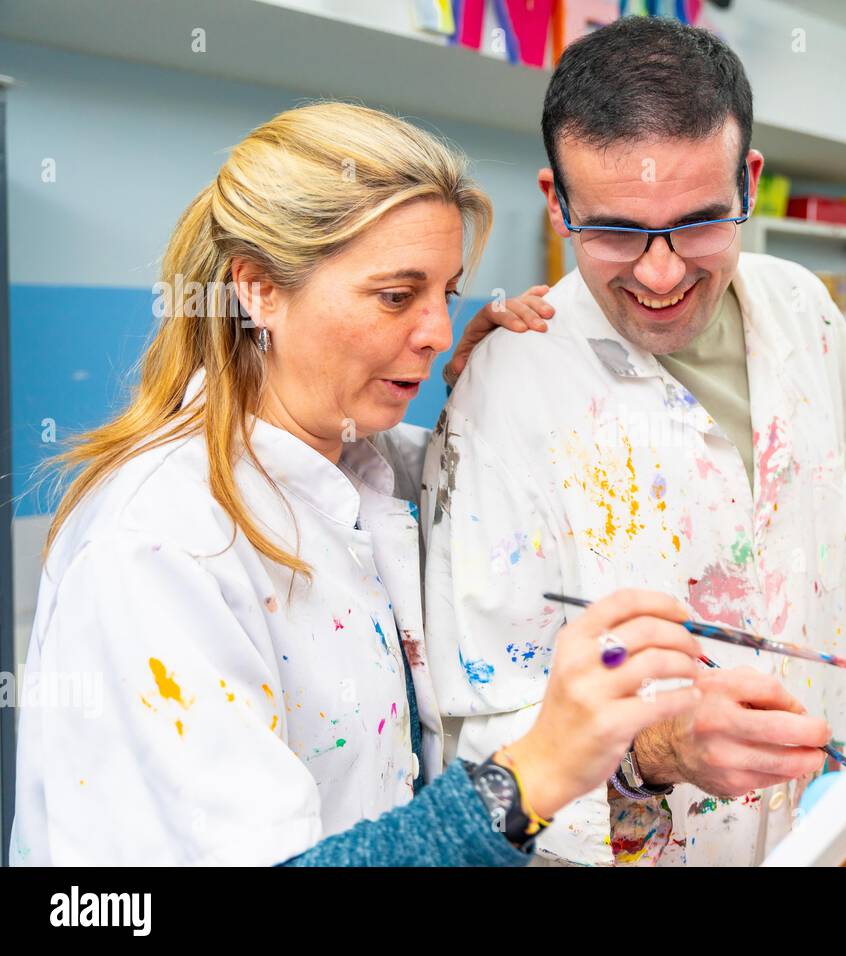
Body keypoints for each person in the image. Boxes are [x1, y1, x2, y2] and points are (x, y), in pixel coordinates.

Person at [9, 102, 706, 866]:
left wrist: (486, 402)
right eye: (397, 295)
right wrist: (535, 774)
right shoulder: (160, 546)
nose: (439, 330)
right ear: (259, 290)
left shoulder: (368, 466)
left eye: (446, 292)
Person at [420, 17, 846, 867]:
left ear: (749, 183)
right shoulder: (510, 381)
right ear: (556, 202)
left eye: (697, 224)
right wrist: (651, 756)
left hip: (832, 830)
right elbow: (477, 718)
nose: (660, 275)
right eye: (614, 231)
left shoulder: (805, 311)